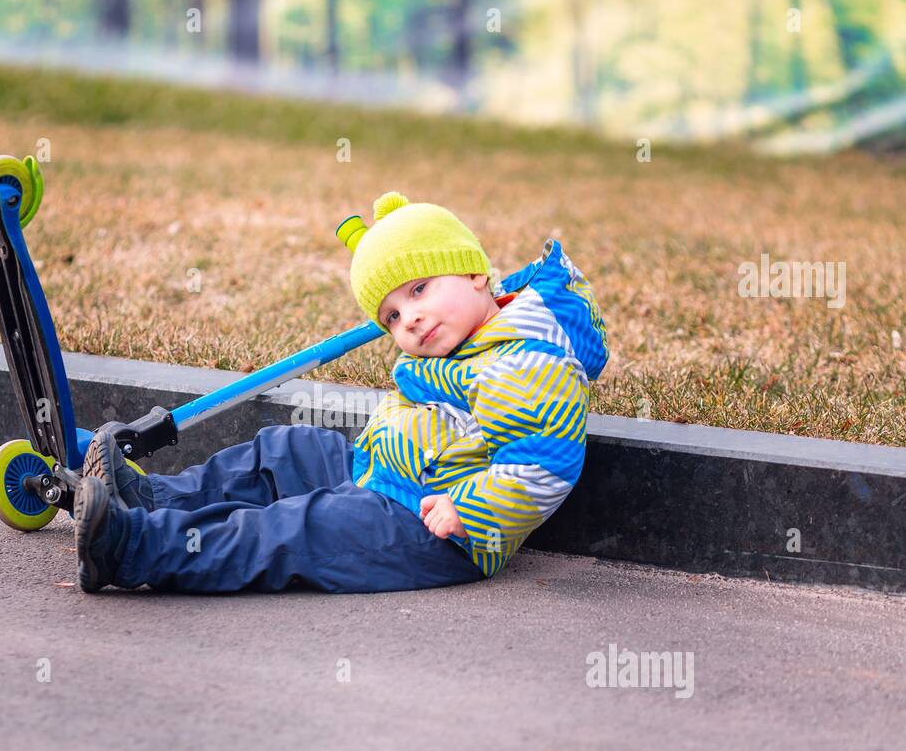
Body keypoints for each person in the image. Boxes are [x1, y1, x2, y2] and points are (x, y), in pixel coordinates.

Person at [72, 190, 608, 593]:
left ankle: (134, 548)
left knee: (292, 530)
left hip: (429, 527)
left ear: (474, 274)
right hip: (380, 472)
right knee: (283, 451)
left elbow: (544, 463)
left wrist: (470, 513)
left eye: (420, 289)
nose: (411, 319)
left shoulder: (528, 361)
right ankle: (154, 498)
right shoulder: (469, 340)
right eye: (392, 315)